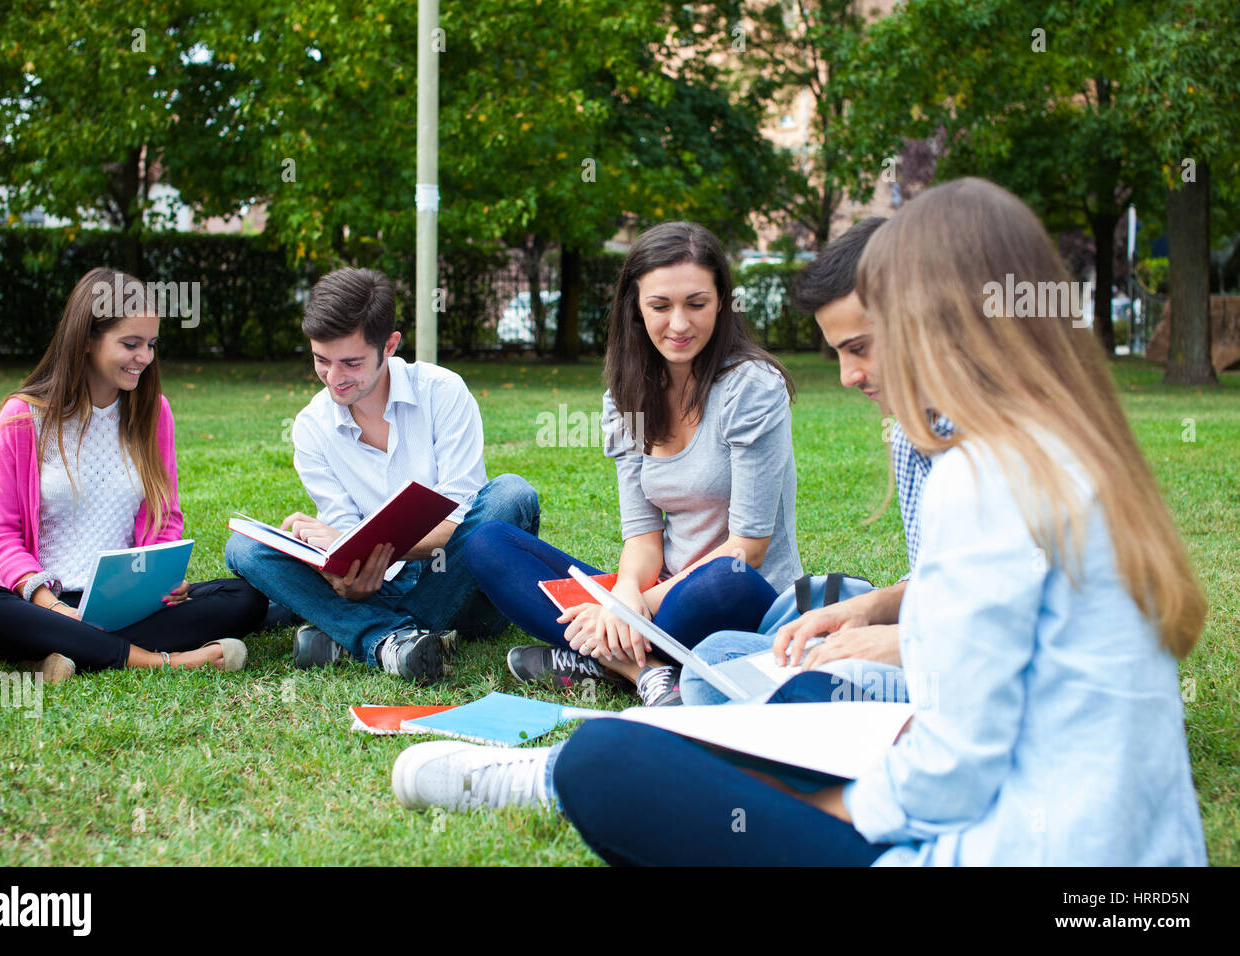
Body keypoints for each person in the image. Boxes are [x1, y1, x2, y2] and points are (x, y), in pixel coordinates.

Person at [548, 178, 1208, 865]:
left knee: (603, 759)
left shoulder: (985, 476)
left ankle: (551, 766)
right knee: (714, 686)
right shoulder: (1076, 451)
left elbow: (951, 775)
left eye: (870, 340)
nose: (848, 375)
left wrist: (785, 801)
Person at [459, 221, 802, 708]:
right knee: (489, 543)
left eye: (696, 304)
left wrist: (627, 612)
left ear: (722, 301)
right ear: (637, 308)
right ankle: (643, 668)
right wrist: (622, 596)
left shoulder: (751, 387)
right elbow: (642, 537)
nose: (679, 324)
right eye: (660, 307)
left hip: (736, 594)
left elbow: (748, 546)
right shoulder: (627, 399)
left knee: (724, 578)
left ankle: (602, 656)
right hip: (659, 595)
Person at [680, 216, 953, 705]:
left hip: (976, 677)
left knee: (735, 684)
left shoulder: (1001, 440)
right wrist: (870, 608)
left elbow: (1030, 616)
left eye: (861, 349)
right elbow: (942, 580)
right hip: (935, 640)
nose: (848, 376)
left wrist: (902, 643)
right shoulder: (915, 429)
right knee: (713, 662)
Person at [224, 267, 538, 685]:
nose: (334, 378)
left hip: (459, 582)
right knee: (245, 547)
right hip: (378, 586)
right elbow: (345, 533)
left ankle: (349, 631)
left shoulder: (442, 392)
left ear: (389, 346)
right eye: (321, 360)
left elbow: (466, 520)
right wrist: (343, 574)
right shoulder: (311, 426)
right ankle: (389, 637)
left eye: (351, 362)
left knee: (512, 495)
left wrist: (382, 554)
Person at [0, 269, 268, 681]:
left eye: (151, 344)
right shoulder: (20, 419)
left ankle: (59, 655)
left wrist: (162, 576)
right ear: (86, 340)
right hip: (46, 603)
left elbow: (165, 515)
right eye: (131, 344)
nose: (145, 358)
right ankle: (162, 660)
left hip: (127, 603)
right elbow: (2, 537)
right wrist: (57, 608)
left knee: (244, 598)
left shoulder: (153, 412)